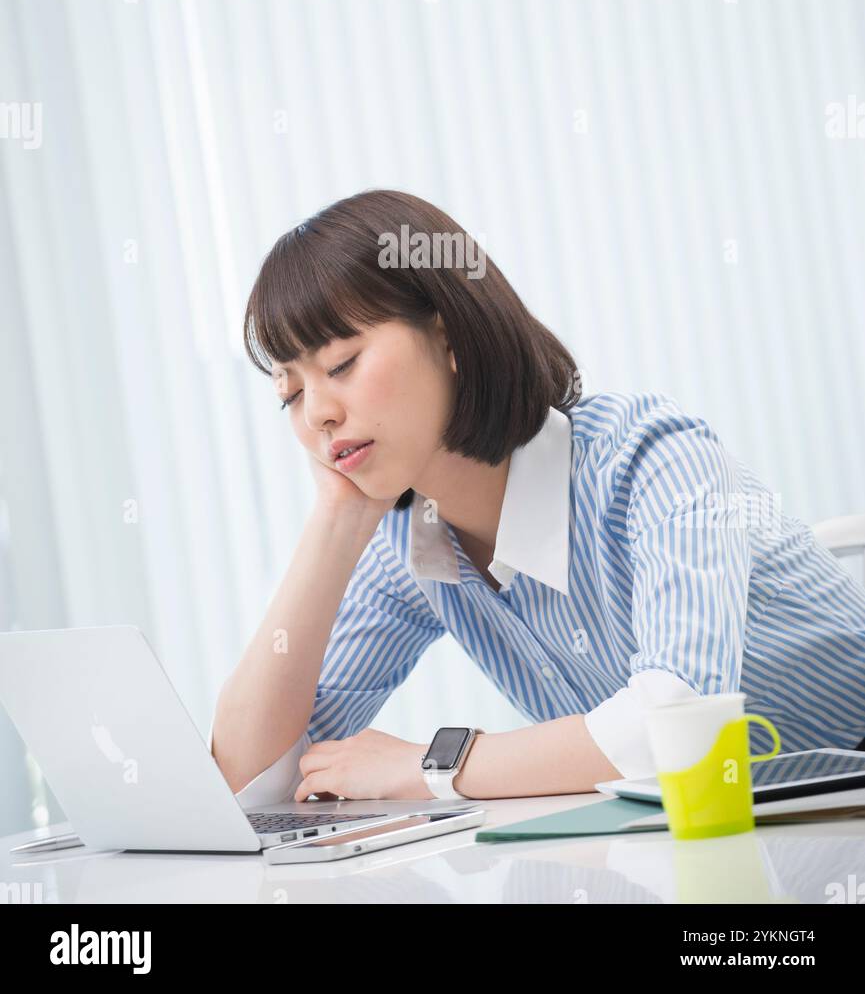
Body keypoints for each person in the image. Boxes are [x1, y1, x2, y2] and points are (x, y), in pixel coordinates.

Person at [209, 188, 865, 804]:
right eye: (289, 393)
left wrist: (432, 766)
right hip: (717, 835)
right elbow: (251, 781)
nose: (316, 413)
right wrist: (338, 517)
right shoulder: (418, 546)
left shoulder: (650, 457)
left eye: (341, 365)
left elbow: (675, 723)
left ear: (449, 338)